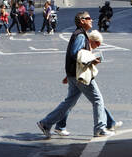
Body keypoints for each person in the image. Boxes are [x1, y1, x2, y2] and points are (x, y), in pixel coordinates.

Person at [36, 11, 109, 139]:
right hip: (80, 74)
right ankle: (100, 128)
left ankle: (46, 123)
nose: (91, 20)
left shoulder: (79, 34)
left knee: (69, 102)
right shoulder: (80, 35)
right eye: (89, 18)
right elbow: (76, 53)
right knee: (98, 100)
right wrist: (92, 59)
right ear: (82, 21)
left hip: (73, 74)